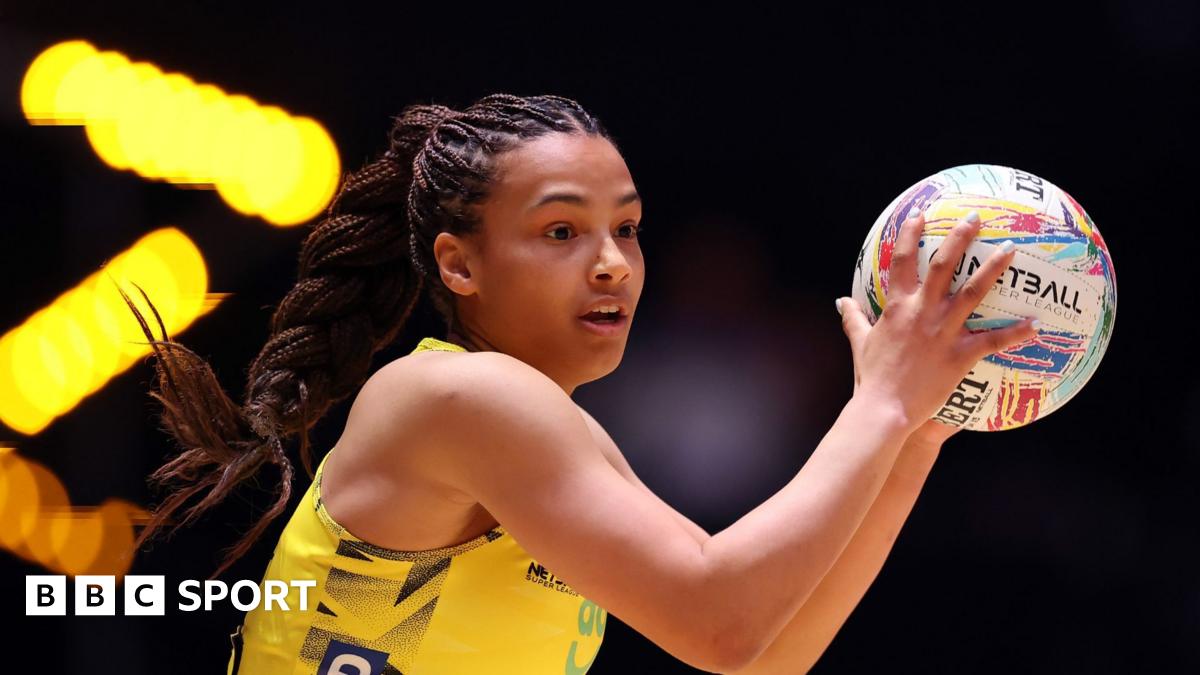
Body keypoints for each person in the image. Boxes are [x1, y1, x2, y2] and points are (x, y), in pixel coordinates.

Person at [117, 93, 1036, 674]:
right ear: (460, 265)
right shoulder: (460, 399)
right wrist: (877, 404)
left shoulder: (551, 428)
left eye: (628, 230)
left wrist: (912, 439)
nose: (612, 265)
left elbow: (761, 652)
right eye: (562, 232)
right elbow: (724, 622)